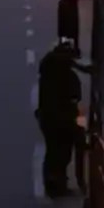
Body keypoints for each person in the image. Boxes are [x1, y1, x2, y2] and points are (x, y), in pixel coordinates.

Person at [35, 39, 90, 198]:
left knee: (53, 151)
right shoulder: (65, 75)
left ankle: (54, 183)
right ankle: (57, 183)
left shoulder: (49, 71)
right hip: (62, 118)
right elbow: (75, 97)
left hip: (48, 118)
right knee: (62, 151)